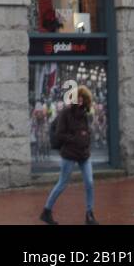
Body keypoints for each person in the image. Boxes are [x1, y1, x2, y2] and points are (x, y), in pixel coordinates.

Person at [40, 84, 98, 225]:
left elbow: (86, 131)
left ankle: (89, 215)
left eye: (82, 98)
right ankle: (46, 212)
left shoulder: (84, 114)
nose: (80, 100)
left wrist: (86, 137)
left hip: (84, 153)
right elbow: (60, 134)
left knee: (89, 182)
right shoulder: (66, 113)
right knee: (62, 183)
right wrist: (76, 139)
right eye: (77, 97)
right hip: (70, 154)